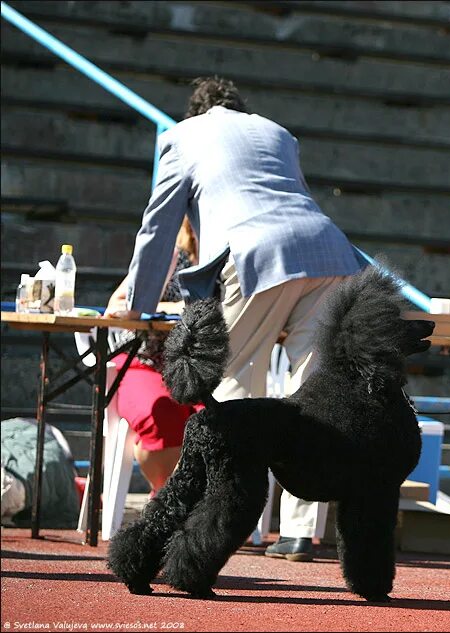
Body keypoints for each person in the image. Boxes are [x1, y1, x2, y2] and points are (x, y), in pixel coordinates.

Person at [105, 76, 363, 561]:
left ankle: (230, 523)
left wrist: (138, 305)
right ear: (241, 108)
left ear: (194, 113)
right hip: (330, 252)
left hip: (254, 254)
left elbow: (159, 225)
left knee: (233, 387)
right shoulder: (278, 133)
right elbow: (291, 201)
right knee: (312, 393)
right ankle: (298, 534)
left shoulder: (180, 137)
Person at [104, 217, 201, 495]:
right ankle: (167, 500)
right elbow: (116, 305)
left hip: (194, 366)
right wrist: (173, 306)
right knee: (163, 413)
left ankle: (198, 509)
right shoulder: (169, 255)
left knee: (216, 418)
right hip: (141, 359)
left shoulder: (228, 263)